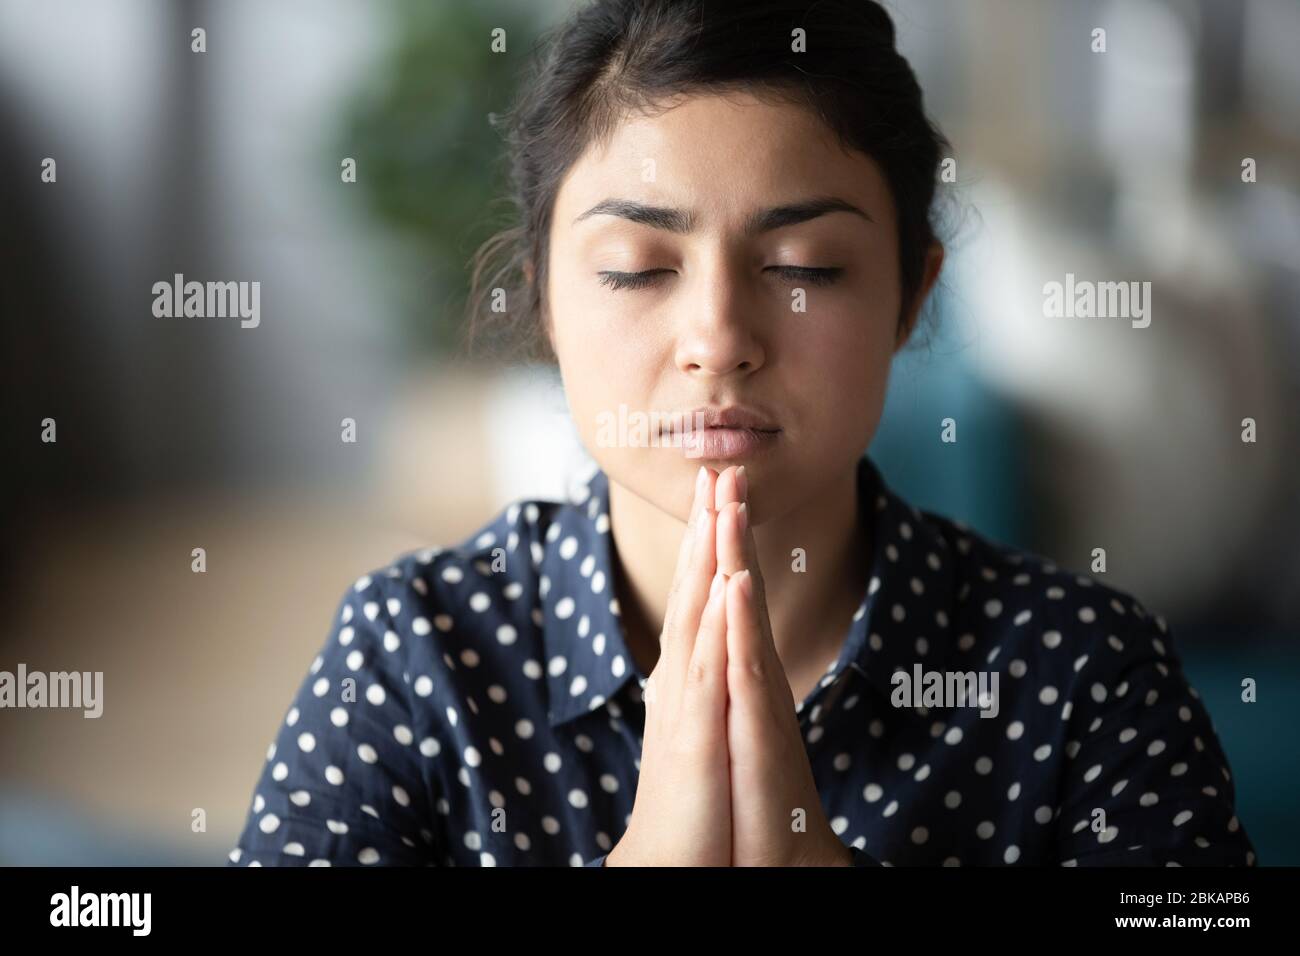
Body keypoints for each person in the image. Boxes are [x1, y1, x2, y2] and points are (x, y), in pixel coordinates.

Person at [227, 0, 1256, 867]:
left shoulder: (1084, 674)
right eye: (637, 266)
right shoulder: (414, 654)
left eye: (805, 266)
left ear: (910, 296)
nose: (718, 339)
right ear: (543, 299)